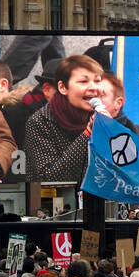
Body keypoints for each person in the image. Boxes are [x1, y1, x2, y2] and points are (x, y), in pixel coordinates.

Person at [24, 54, 102, 183]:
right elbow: (48, 178)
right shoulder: (40, 122)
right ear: (63, 87)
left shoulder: (102, 117)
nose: (94, 87)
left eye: (98, 81)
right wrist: (87, 134)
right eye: (83, 81)